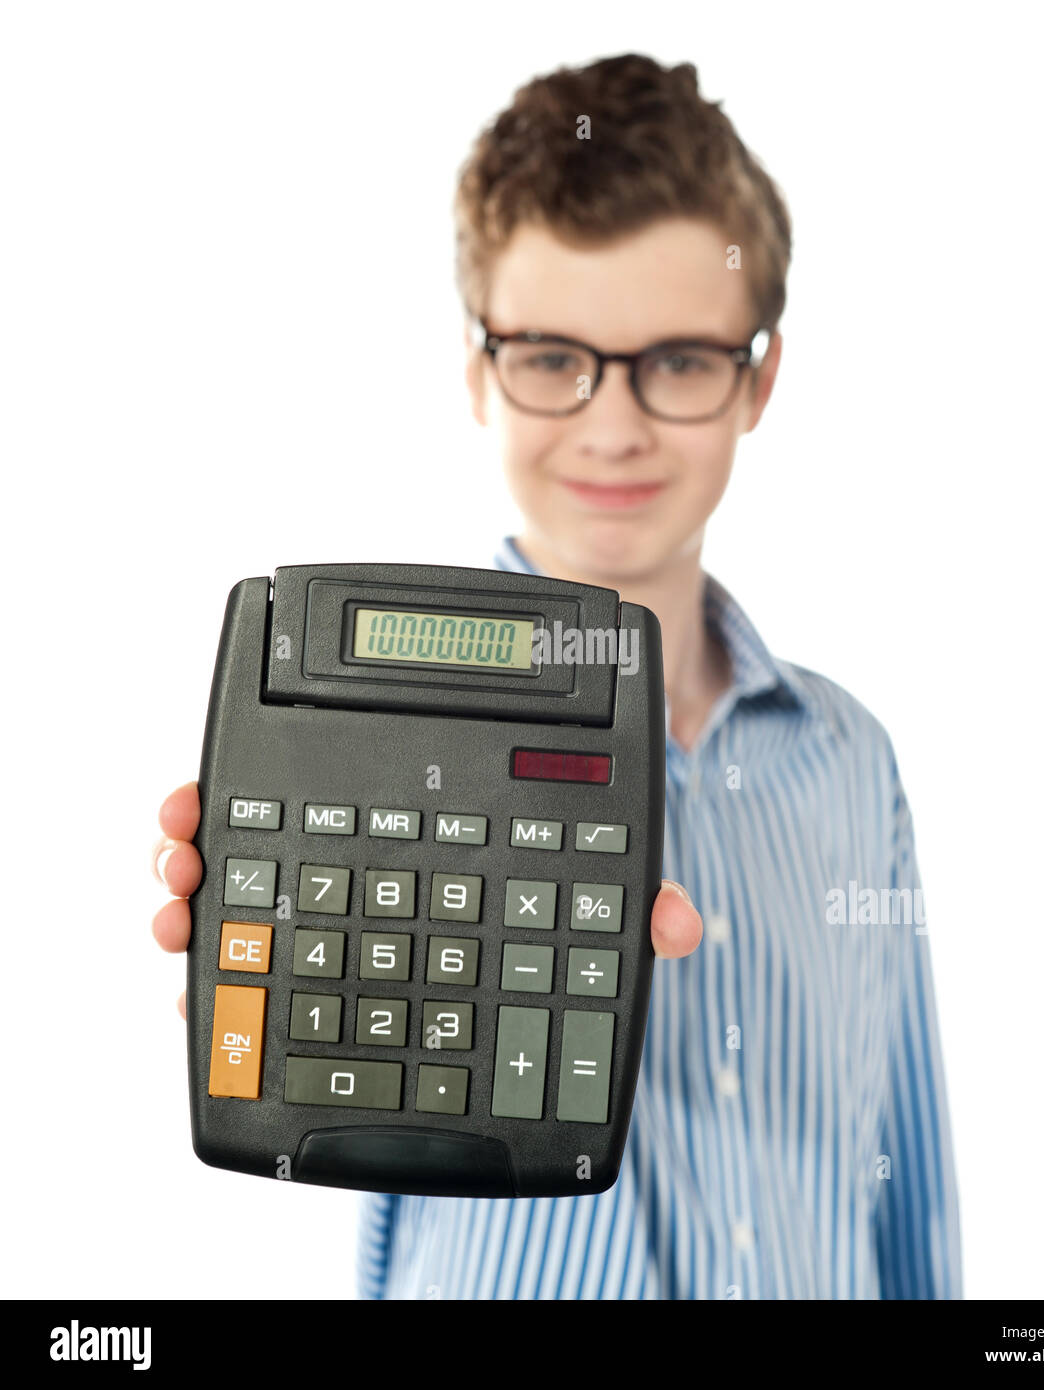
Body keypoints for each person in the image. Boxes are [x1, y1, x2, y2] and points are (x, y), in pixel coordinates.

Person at [152, 53, 961, 1299]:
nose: (613, 424)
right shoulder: (341, 726)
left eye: (680, 360)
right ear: (480, 367)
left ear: (760, 378)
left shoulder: (855, 759)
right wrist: (300, 938)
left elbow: (902, 1172)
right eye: (551, 357)